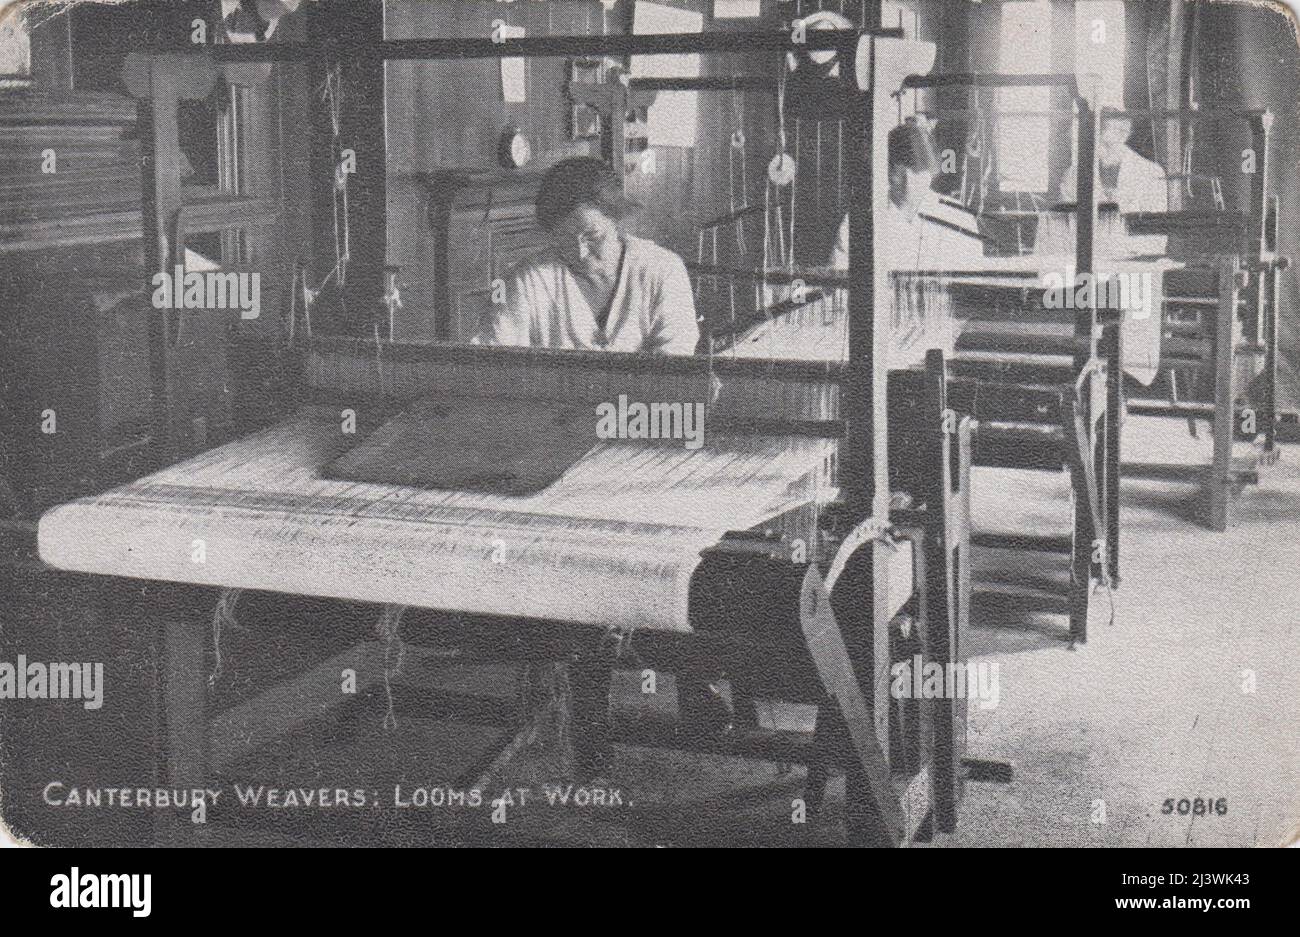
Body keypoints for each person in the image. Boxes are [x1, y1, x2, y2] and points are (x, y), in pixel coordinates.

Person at [485, 157, 700, 355]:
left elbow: (677, 365)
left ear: (615, 219)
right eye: (565, 238)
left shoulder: (664, 270)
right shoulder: (525, 279)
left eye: (593, 236)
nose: (581, 252)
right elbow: (492, 354)